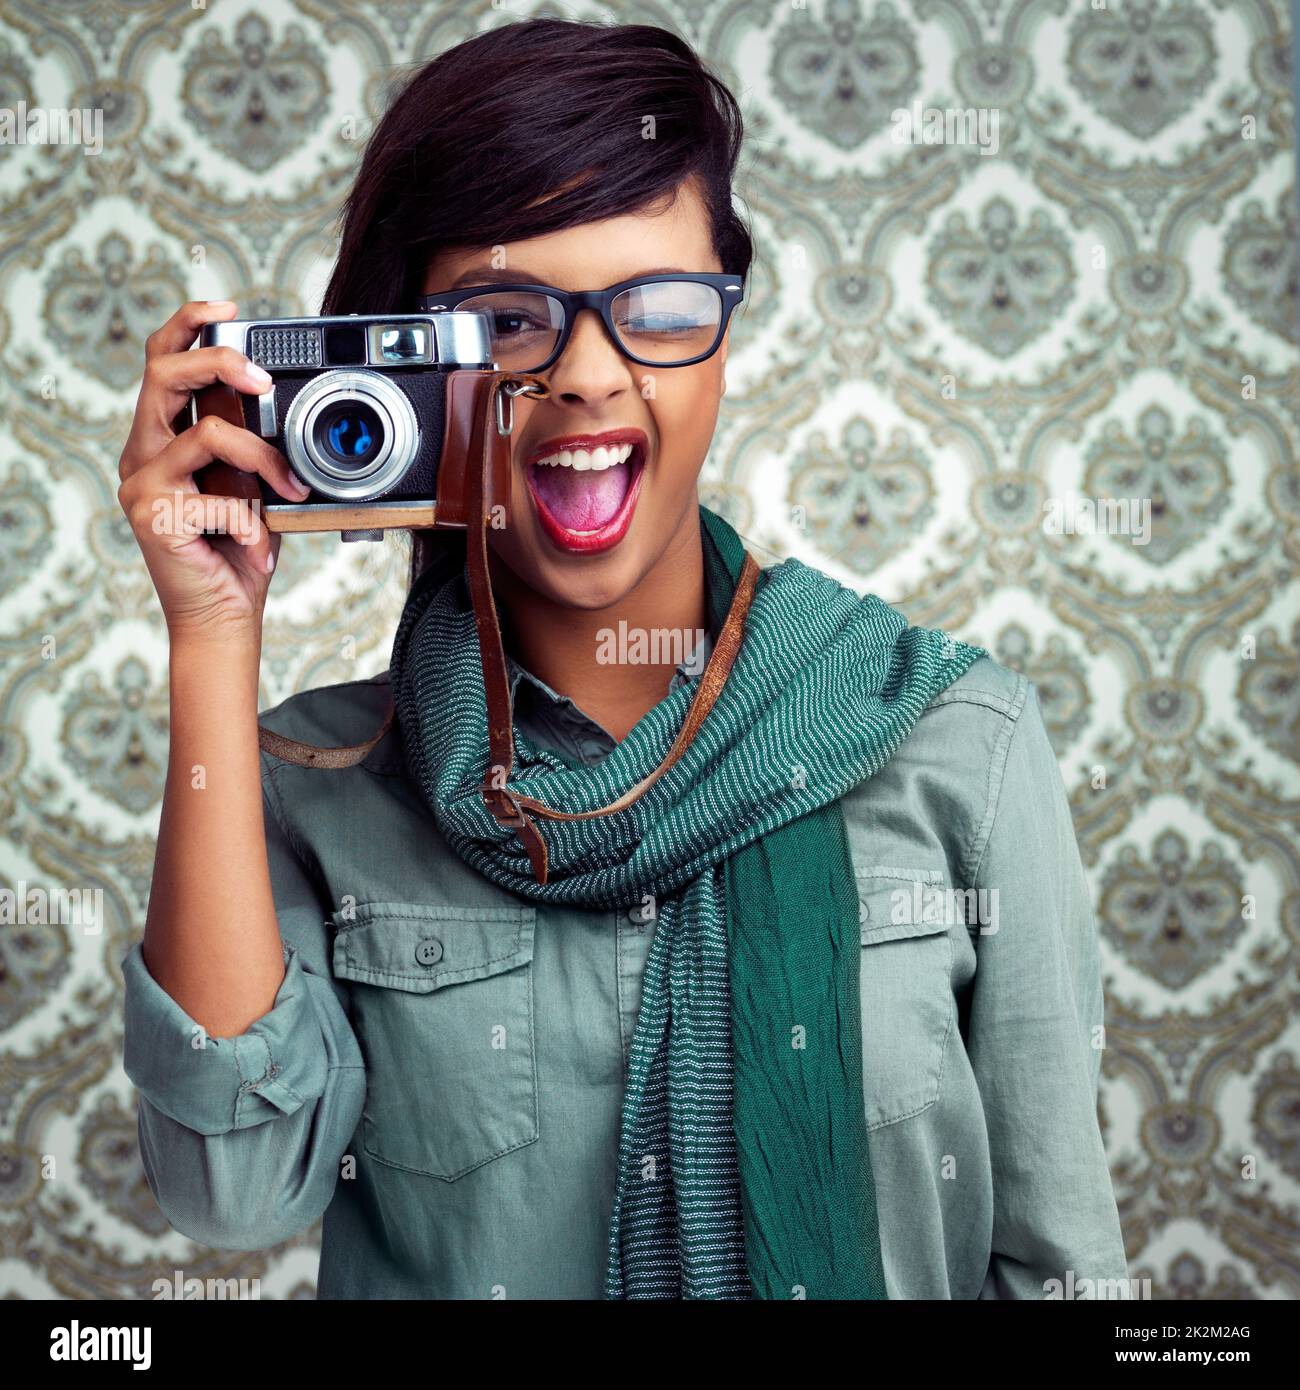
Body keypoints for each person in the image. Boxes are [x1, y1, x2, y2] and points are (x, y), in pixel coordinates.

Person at [117, 17, 1129, 1300]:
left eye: (654, 307)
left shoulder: (953, 741)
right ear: (408, 368)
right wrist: (210, 638)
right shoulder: (315, 782)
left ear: (724, 327)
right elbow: (227, 1190)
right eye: (507, 319)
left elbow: (1057, 1272)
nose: (587, 376)